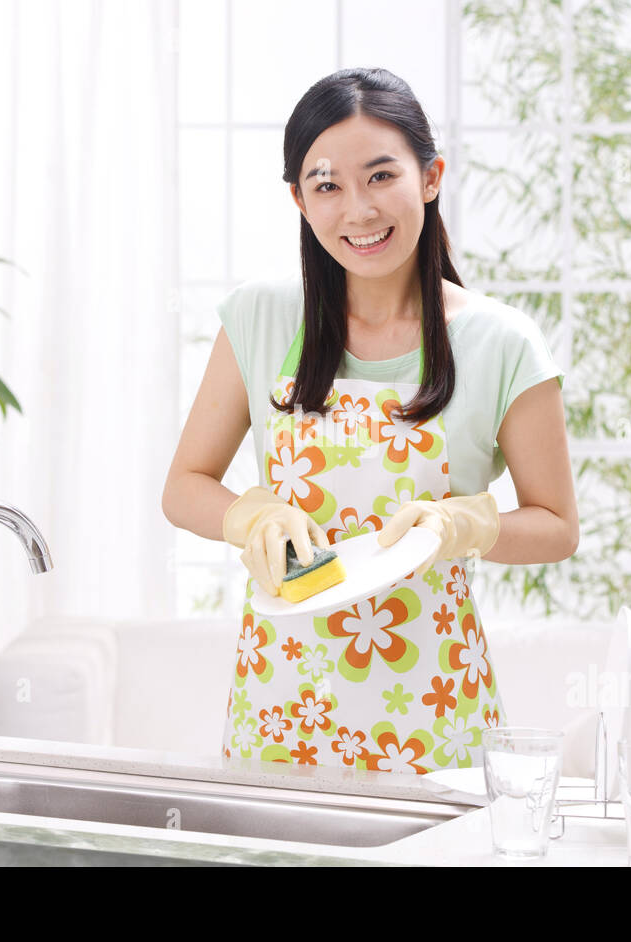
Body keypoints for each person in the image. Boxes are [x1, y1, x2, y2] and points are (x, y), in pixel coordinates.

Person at [162, 67, 578, 774]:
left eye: (381, 176)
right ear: (299, 198)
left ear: (431, 176)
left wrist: (468, 523)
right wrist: (252, 515)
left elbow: (558, 526)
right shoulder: (260, 318)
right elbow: (185, 486)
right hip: (280, 710)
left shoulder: (502, 343)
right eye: (327, 185)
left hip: (435, 716)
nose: (358, 210)